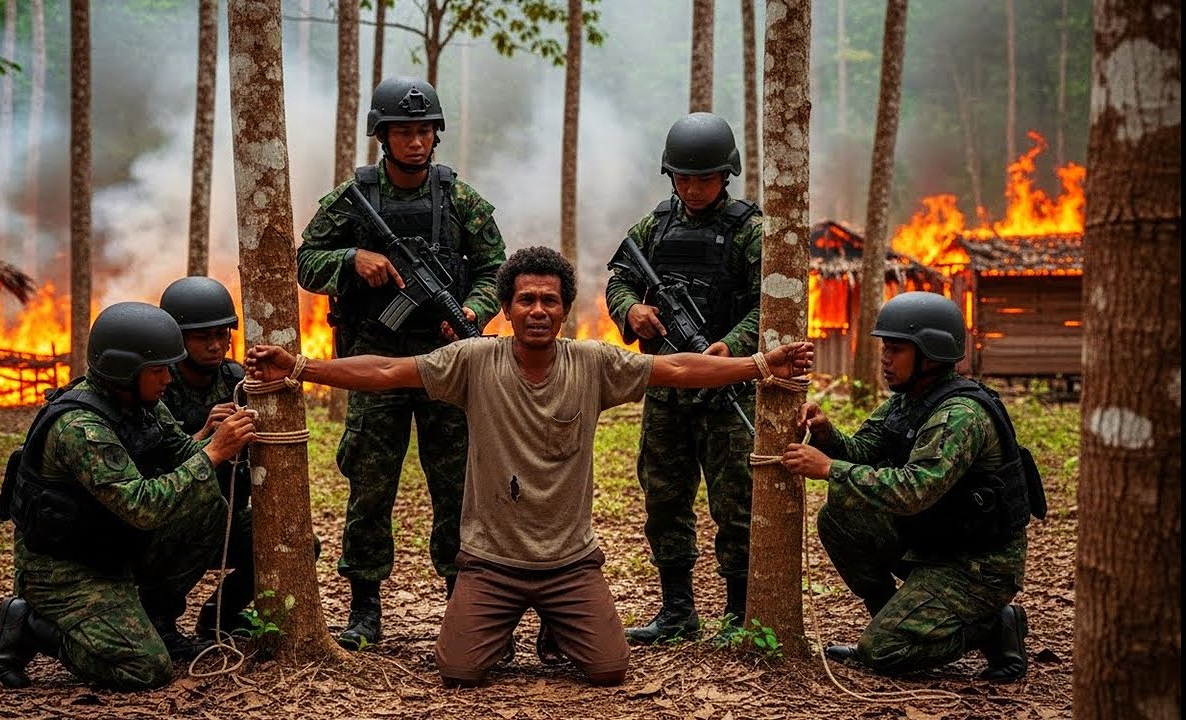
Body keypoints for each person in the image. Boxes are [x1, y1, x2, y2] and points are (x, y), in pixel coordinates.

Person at [246, 246, 815, 687]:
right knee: (459, 671)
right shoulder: (474, 360)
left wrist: (760, 363)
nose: (538, 310)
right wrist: (299, 366)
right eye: (526, 300)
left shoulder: (592, 363)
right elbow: (387, 372)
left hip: (570, 563)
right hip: (491, 562)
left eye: (549, 300)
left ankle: (557, 623)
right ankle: (511, 623)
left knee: (610, 670)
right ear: (508, 308)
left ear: (566, 309)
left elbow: (681, 370)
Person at [294, 74, 507, 652]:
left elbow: (497, 269)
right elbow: (304, 261)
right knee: (369, 483)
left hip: (446, 363)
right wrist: (351, 258)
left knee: (456, 486)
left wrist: (471, 307)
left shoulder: (459, 199)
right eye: (402, 131)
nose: (414, 142)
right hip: (376, 361)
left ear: (435, 135)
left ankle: (463, 600)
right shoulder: (354, 197)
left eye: (423, 131)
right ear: (382, 136)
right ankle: (364, 606)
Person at [0, 302, 258, 690]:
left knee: (207, 505)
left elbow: (181, 454)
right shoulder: (80, 426)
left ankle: (157, 619)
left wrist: (221, 440)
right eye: (158, 369)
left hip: (114, 547)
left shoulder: (143, 404)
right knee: (145, 669)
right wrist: (214, 452)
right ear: (125, 371)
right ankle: (28, 625)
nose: (167, 378)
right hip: (66, 569)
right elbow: (141, 507)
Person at [781, 291, 1040, 683]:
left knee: (882, 652)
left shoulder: (960, 415)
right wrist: (826, 434)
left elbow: (915, 490)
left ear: (930, 354)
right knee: (839, 517)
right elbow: (864, 450)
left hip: (978, 566)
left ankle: (994, 627)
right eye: (885, 347)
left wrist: (829, 469)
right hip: (936, 542)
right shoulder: (908, 401)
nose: (885, 357)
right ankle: (894, 619)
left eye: (896, 349)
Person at [604, 112, 764, 646]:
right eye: (683, 178)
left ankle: (739, 613)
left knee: (735, 504)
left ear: (727, 174)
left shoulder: (750, 231)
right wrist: (632, 313)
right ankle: (677, 611)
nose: (693, 189)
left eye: (705, 178)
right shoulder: (655, 227)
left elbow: (776, 302)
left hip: (728, 392)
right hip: (668, 392)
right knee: (664, 499)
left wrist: (732, 347)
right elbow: (620, 279)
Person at [158, 276, 258, 640]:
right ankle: (160, 622)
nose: (216, 346)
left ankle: (220, 615)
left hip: (224, 516)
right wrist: (203, 436)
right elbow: (146, 469)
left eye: (222, 335)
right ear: (178, 339)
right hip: (166, 521)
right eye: (203, 337)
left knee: (296, 541)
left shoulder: (238, 380)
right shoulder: (157, 382)